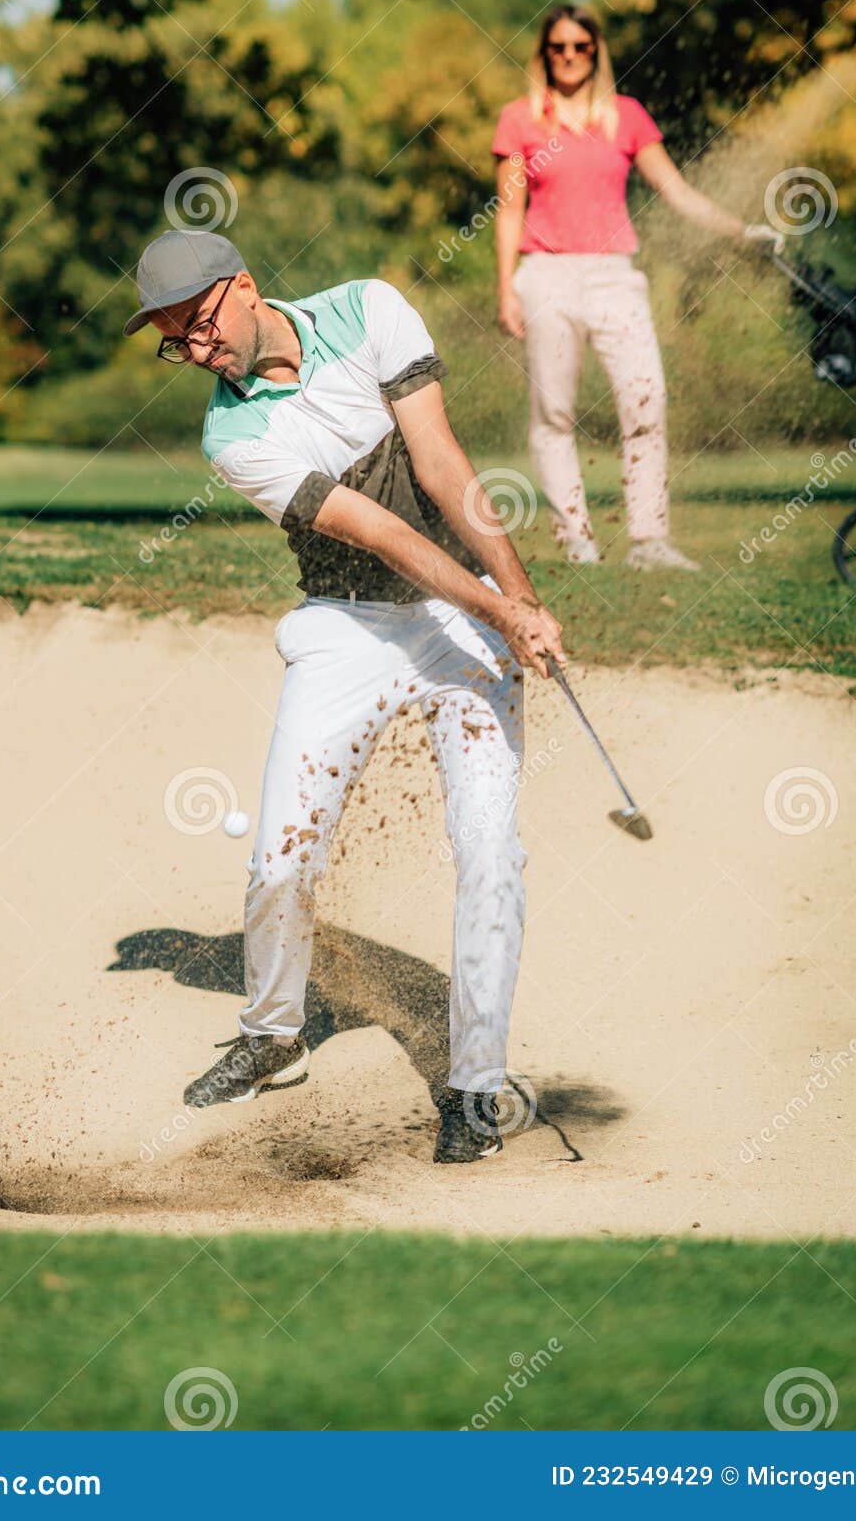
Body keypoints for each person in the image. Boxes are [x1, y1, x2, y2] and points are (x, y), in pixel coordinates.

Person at [124, 228, 566, 1164]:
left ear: (244, 287)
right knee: (280, 853)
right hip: (345, 623)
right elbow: (380, 535)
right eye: (174, 343)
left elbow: (441, 467)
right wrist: (502, 609)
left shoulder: (369, 310)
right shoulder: (232, 436)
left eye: (198, 325)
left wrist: (519, 601)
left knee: (490, 853)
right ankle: (272, 1035)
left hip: (455, 624)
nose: (194, 352)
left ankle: (474, 1087)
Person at [494, 3, 782, 569]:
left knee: (646, 397)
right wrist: (505, 287)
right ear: (544, 54)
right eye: (558, 47)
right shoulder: (520, 120)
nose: (570, 56)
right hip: (546, 275)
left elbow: (676, 191)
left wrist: (739, 231)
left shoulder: (625, 116)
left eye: (581, 46)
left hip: (615, 278)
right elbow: (508, 211)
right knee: (554, 413)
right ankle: (577, 539)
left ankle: (649, 541)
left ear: (596, 51)